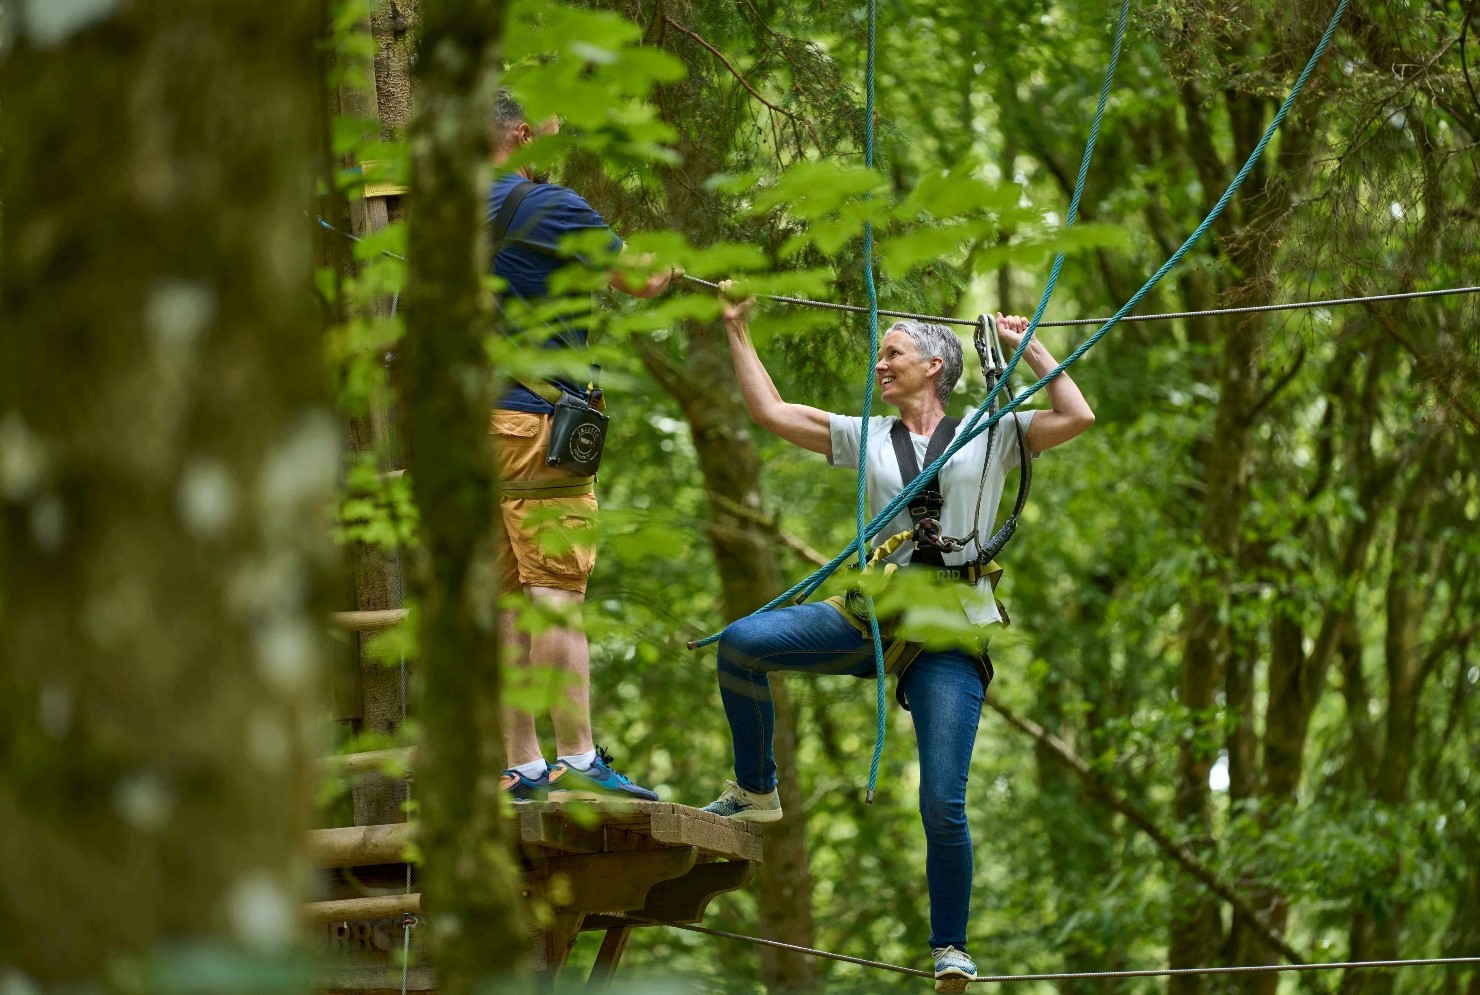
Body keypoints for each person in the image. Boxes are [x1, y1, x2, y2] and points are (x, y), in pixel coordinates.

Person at [702, 286, 1094, 992]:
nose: (879, 365)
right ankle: (756, 787)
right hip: (876, 617)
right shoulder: (868, 435)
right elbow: (771, 413)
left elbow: (1078, 414)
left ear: (934, 366)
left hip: (950, 633)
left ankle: (951, 946)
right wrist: (737, 330)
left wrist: (1027, 348)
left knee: (942, 800)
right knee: (741, 643)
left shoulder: (992, 427)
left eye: (893, 354)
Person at [489, 89, 674, 803]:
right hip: (535, 426)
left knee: (509, 599)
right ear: (524, 136)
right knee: (555, 590)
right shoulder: (550, 205)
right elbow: (640, 278)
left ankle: (524, 765)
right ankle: (577, 758)